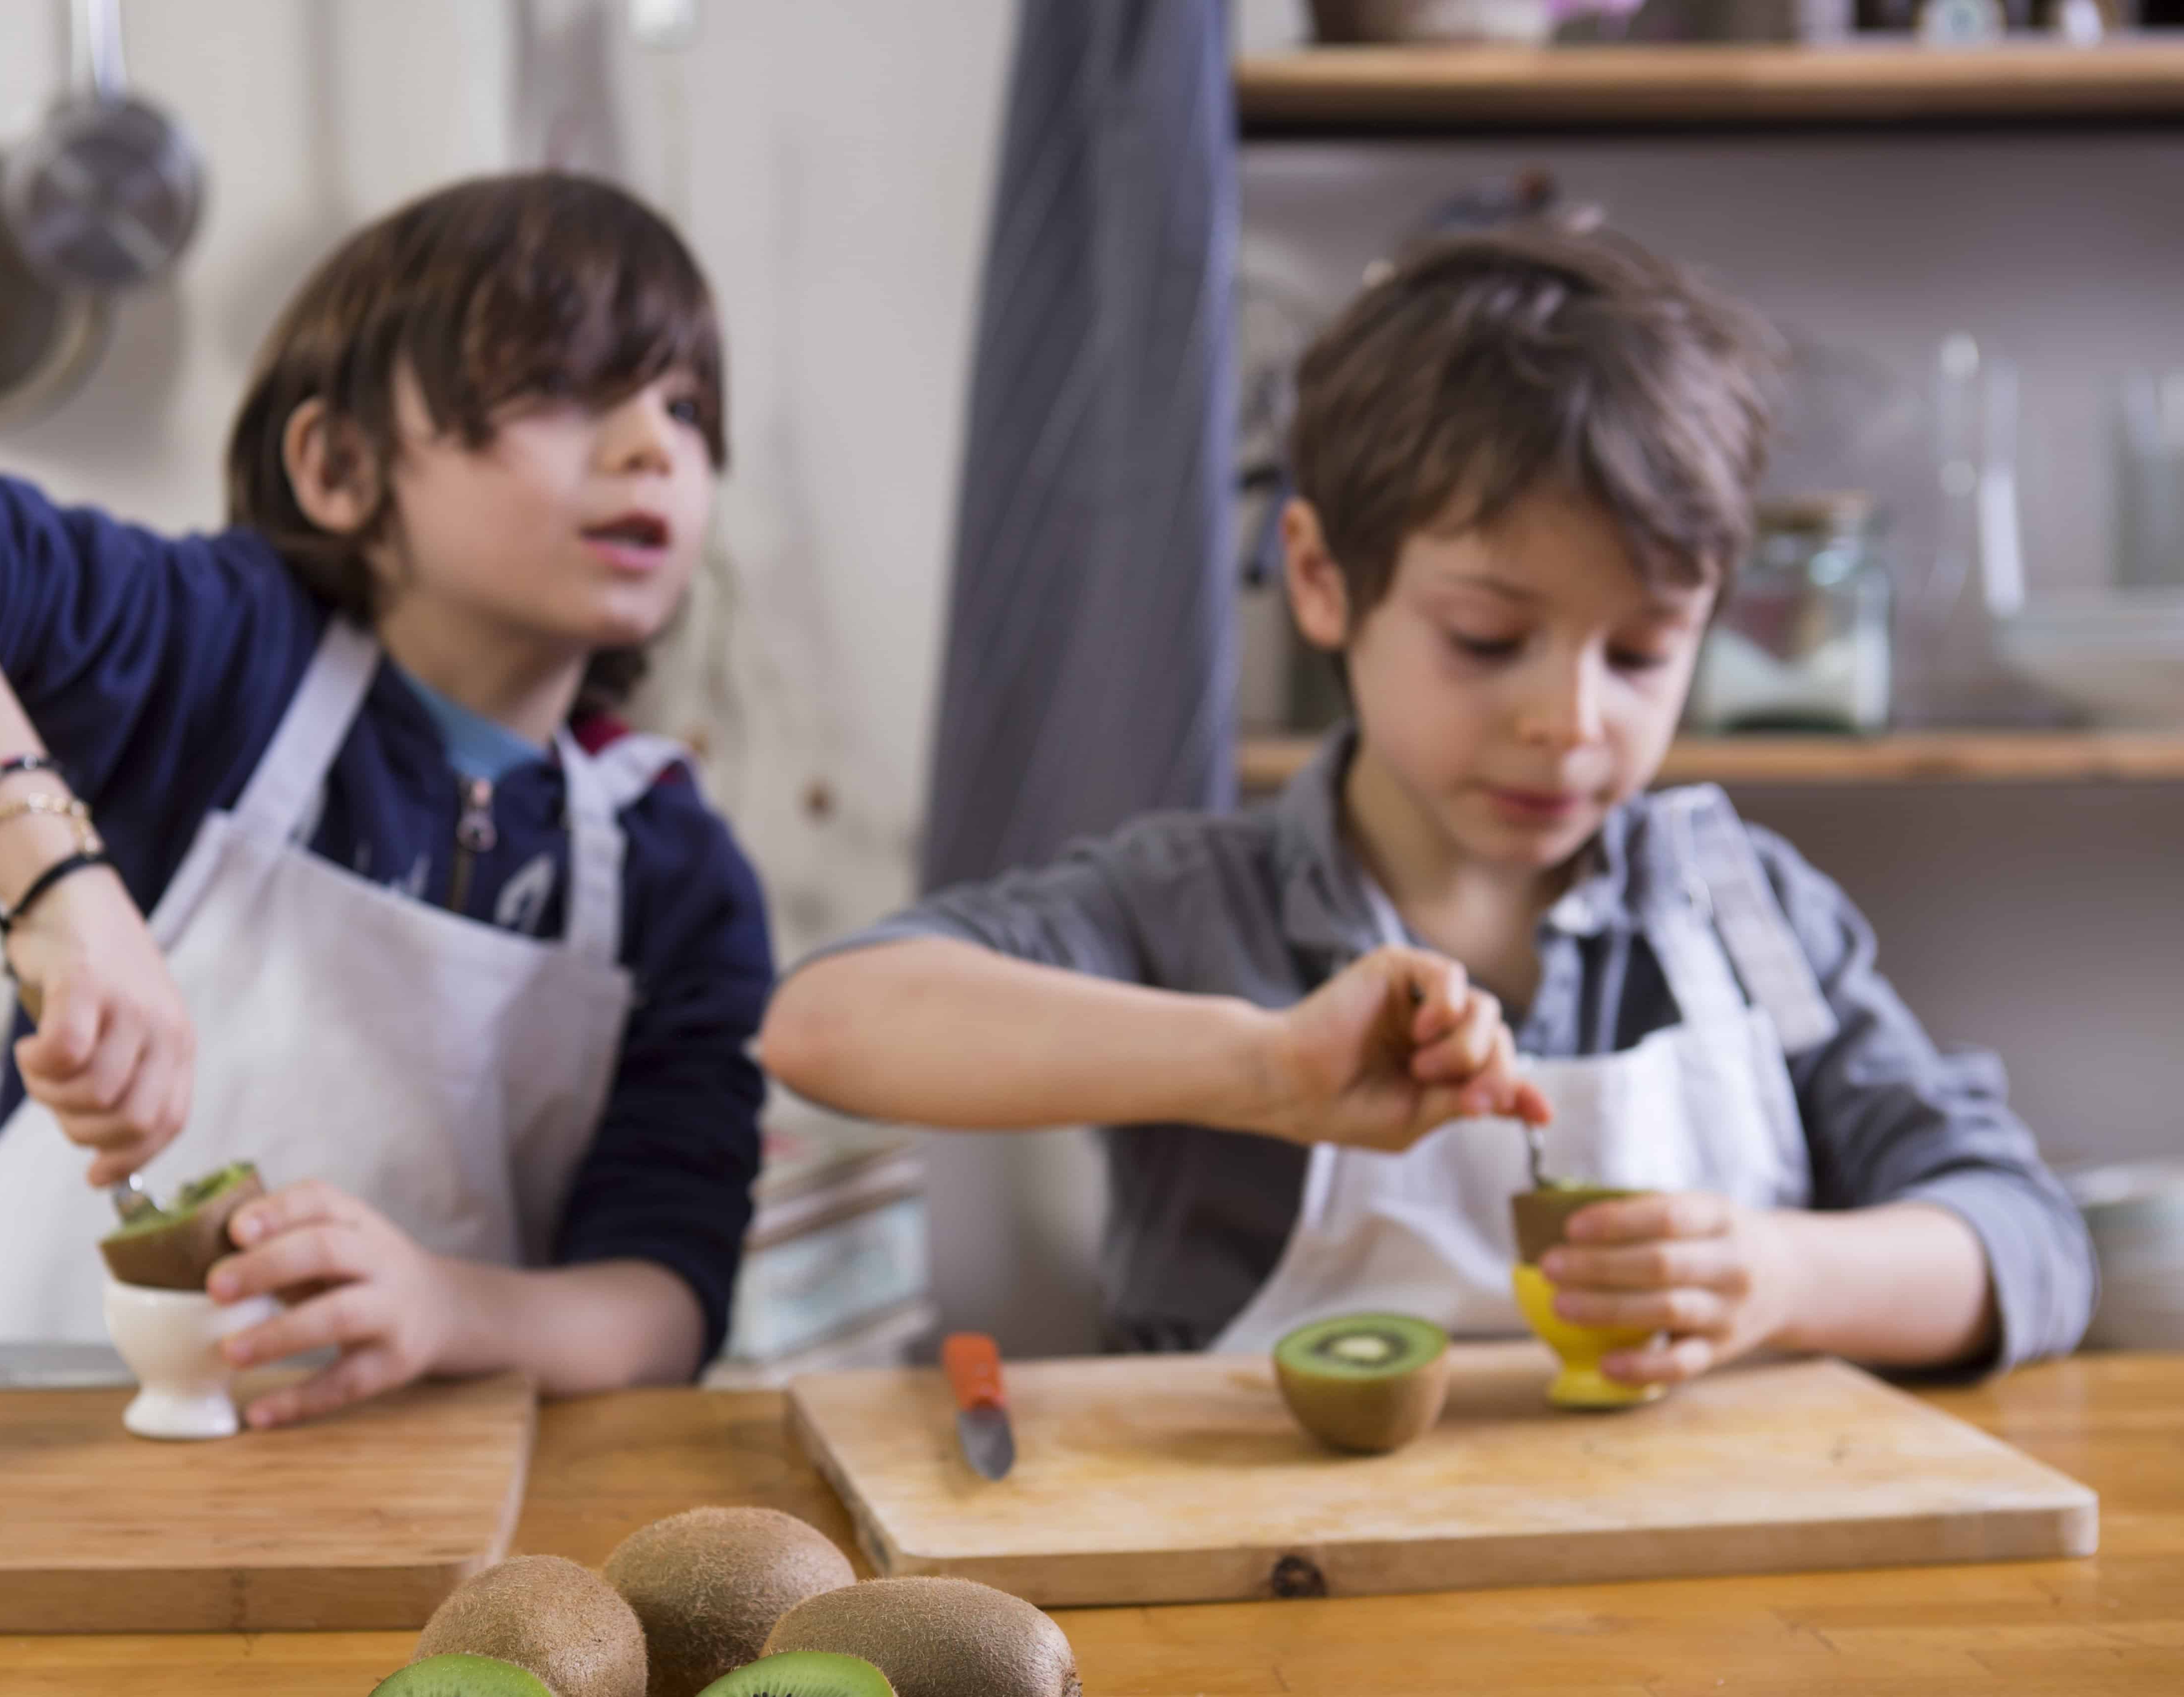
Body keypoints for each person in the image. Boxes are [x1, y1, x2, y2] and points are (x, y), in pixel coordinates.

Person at [763, 222, 2092, 1382]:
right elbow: (826, 1025)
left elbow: (2030, 1243)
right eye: (1487, 639)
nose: (1572, 720)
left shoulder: (1752, 919)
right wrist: (1261, 1069)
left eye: (1641, 654)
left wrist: (1785, 1276)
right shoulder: (1195, 907)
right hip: (1276, 1579)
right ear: (1321, 579)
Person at [0, 174, 771, 1426]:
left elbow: (664, 1300)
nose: (655, 447)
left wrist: (448, 1308)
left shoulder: (676, 870)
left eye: (685, 407)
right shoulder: (217, 657)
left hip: (425, 1498)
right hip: (27, 1462)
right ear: (338, 464)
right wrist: (61, 890)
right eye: (561, 388)